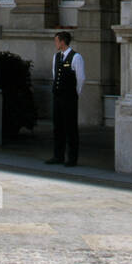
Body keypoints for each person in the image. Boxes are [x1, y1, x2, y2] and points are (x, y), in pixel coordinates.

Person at [46, 31, 85, 166]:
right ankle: (58, 156)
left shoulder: (76, 57)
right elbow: (54, 74)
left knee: (70, 128)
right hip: (58, 96)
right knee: (58, 127)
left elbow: (80, 78)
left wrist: (75, 94)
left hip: (69, 98)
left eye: (56, 41)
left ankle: (72, 158)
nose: (55, 43)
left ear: (62, 42)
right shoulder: (56, 57)